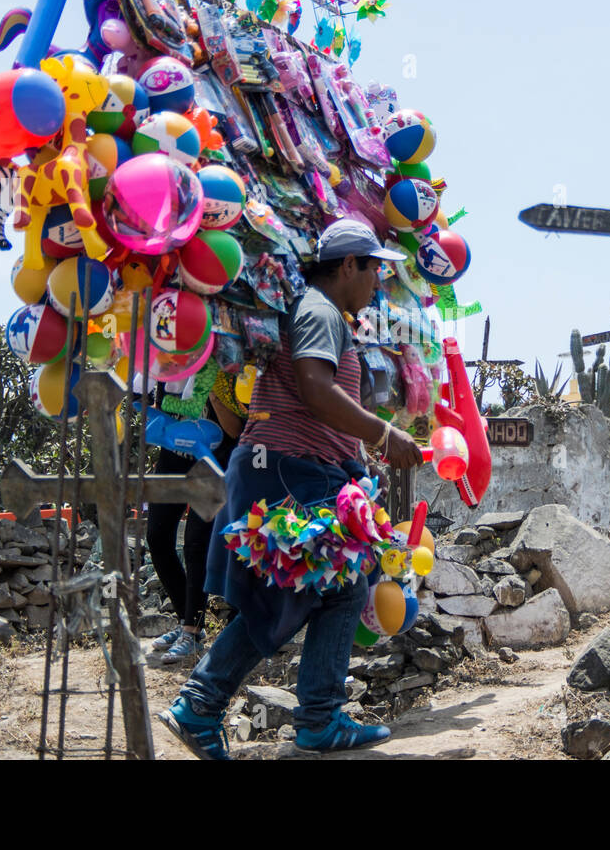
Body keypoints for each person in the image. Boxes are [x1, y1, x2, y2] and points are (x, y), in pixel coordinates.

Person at [159, 220, 422, 760]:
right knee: (295, 590)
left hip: (294, 468)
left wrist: (356, 452)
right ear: (347, 264)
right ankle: (208, 705)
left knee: (335, 585)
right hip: (287, 472)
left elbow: (315, 408)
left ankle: (310, 717)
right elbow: (315, 389)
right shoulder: (321, 312)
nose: (379, 278)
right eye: (374, 266)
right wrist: (384, 432)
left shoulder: (322, 313)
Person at [148, 385, 242, 664]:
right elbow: (160, 409)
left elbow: (236, 430)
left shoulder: (224, 368)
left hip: (213, 461)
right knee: (156, 537)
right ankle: (184, 619)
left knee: (196, 544)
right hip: (172, 458)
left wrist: (213, 391)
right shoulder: (169, 366)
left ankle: (192, 630)